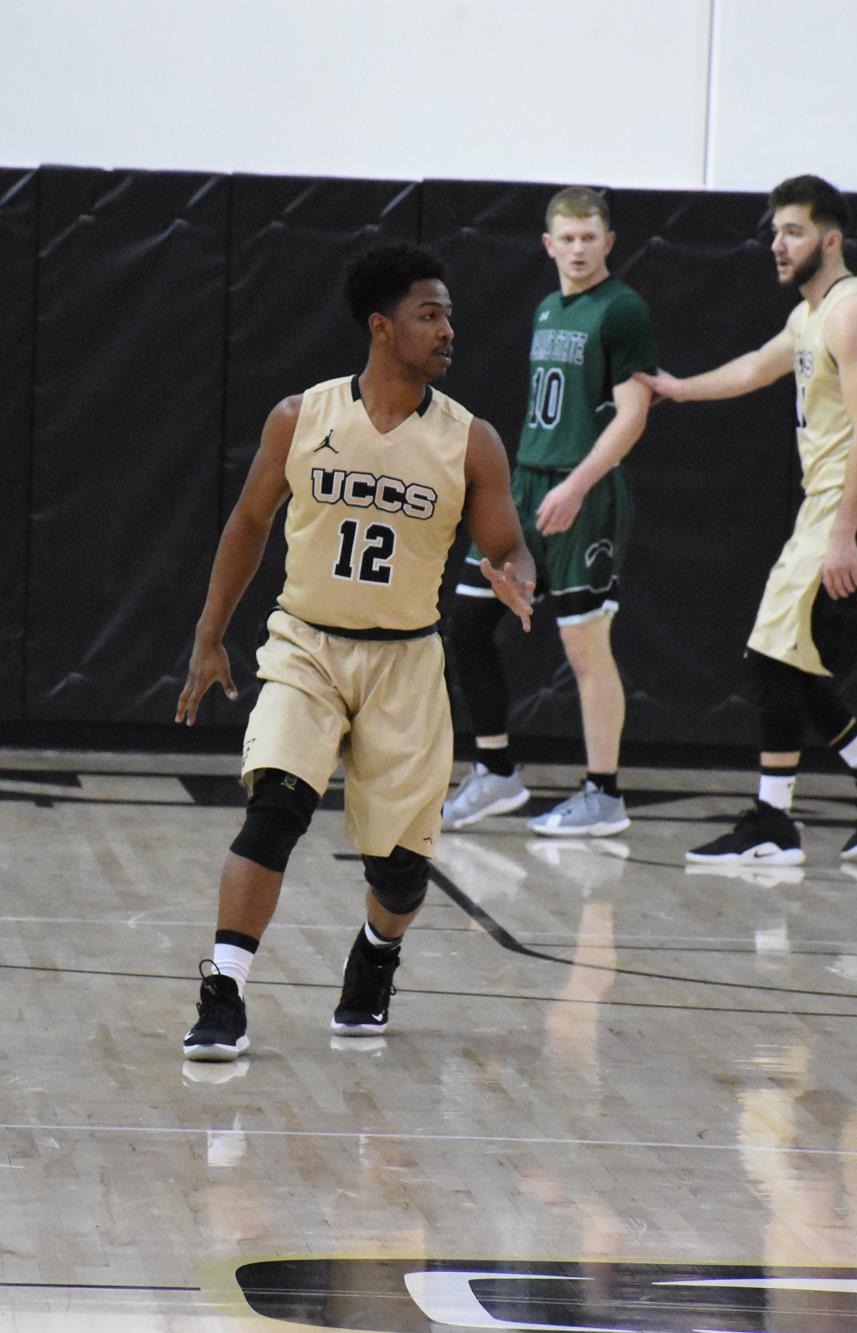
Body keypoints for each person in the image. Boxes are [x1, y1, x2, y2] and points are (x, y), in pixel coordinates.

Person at [176, 242, 536, 1060]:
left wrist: (515, 576)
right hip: (305, 645)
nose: (449, 330)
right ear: (382, 328)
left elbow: (508, 545)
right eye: (429, 315)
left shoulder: (470, 440)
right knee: (274, 808)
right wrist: (208, 635)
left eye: (449, 315)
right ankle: (224, 987)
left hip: (406, 661)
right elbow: (247, 523)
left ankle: (375, 957)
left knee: (401, 869)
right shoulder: (300, 417)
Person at [636, 175, 857, 865]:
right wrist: (677, 389)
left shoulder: (854, 312)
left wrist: (842, 533)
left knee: (775, 654)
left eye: (792, 231)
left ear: (831, 239)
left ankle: (795, 813)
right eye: (774, 231)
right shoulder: (809, 315)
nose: (777, 243)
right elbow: (753, 369)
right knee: (785, 659)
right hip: (828, 502)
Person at [442, 187, 657, 838]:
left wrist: (578, 485)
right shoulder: (544, 310)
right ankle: (498, 769)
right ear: (548, 244)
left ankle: (604, 793)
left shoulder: (622, 310)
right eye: (567, 238)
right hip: (526, 487)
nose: (578, 248)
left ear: (608, 242)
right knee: (468, 624)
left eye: (590, 237)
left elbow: (634, 414)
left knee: (583, 644)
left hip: (583, 492)